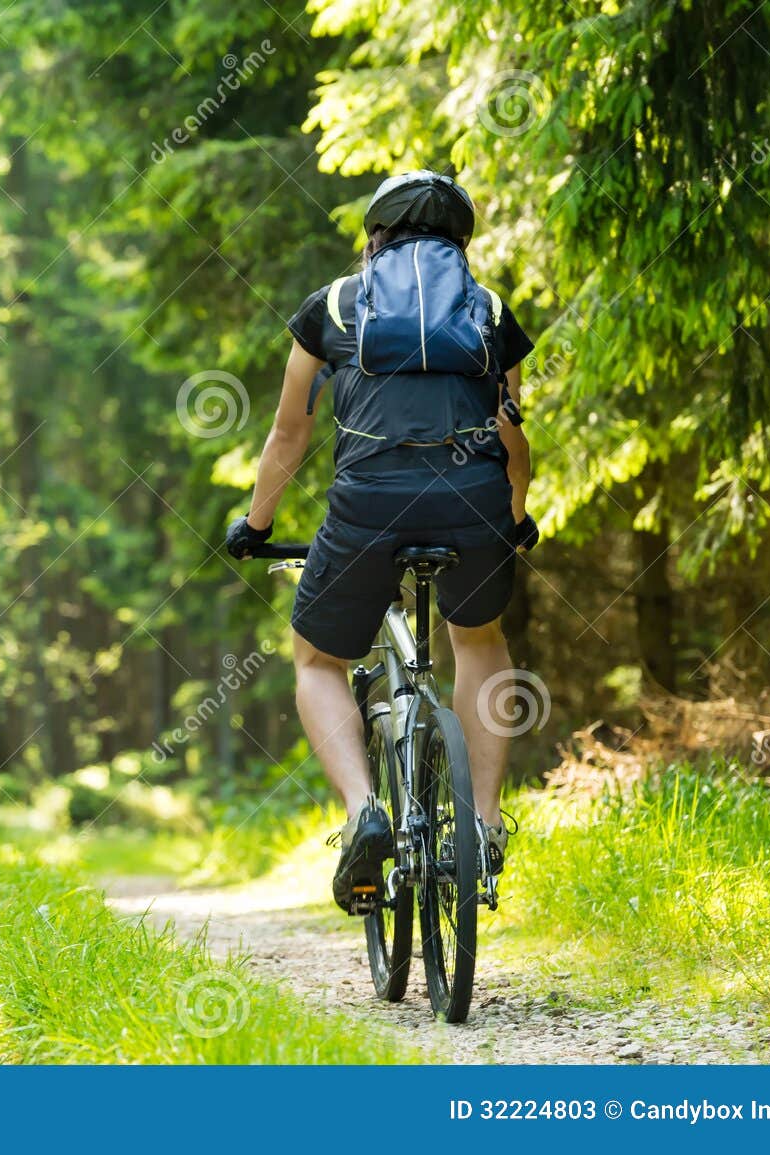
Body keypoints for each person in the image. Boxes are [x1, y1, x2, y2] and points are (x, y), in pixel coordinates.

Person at [223, 171, 537, 914]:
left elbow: (288, 433)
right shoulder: (489, 311)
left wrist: (258, 524)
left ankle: (364, 807)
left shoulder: (332, 305)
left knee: (317, 656)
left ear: (375, 233)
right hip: (474, 506)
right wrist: (515, 514)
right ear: (460, 239)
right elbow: (512, 436)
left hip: (369, 509)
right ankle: (483, 828)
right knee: (480, 639)